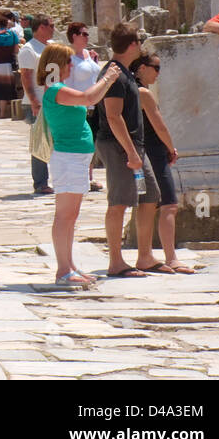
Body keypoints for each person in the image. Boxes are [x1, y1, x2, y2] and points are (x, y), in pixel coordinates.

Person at [39, 43, 120, 286]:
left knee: (71, 215)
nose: (71, 65)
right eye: (67, 61)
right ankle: (63, 270)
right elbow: (89, 97)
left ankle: (70, 266)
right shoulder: (55, 90)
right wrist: (108, 78)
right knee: (64, 216)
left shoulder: (59, 89)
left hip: (74, 158)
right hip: (68, 158)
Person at [95, 22, 164, 278]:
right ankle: (115, 261)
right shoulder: (113, 74)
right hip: (119, 146)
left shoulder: (123, 72)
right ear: (132, 44)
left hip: (133, 145)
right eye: (139, 41)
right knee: (119, 202)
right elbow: (113, 116)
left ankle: (145, 256)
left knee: (149, 197)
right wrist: (132, 153)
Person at [131, 52, 194, 273]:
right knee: (169, 204)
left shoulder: (128, 88)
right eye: (156, 67)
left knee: (147, 205)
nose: (159, 72)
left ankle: (146, 255)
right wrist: (171, 147)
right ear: (141, 68)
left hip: (139, 150)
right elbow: (159, 126)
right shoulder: (143, 93)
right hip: (154, 151)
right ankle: (171, 257)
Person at [18, 14, 56, 194]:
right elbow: (25, 76)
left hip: (54, 100)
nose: (53, 28)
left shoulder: (51, 46)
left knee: (55, 140)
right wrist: (34, 101)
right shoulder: (29, 49)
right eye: (51, 25)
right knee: (41, 140)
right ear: (41, 27)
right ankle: (40, 182)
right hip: (38, 102)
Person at [66, 22, 104, 193]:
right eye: (84, 34)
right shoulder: (69, 57)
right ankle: (80, 177)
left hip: (95, 105)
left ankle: (89, 176)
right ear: (74, 36)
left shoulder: (89, 55)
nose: (88, 37)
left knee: (92, 143)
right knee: (82, 143)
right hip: (79, 106)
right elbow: (68, 82)